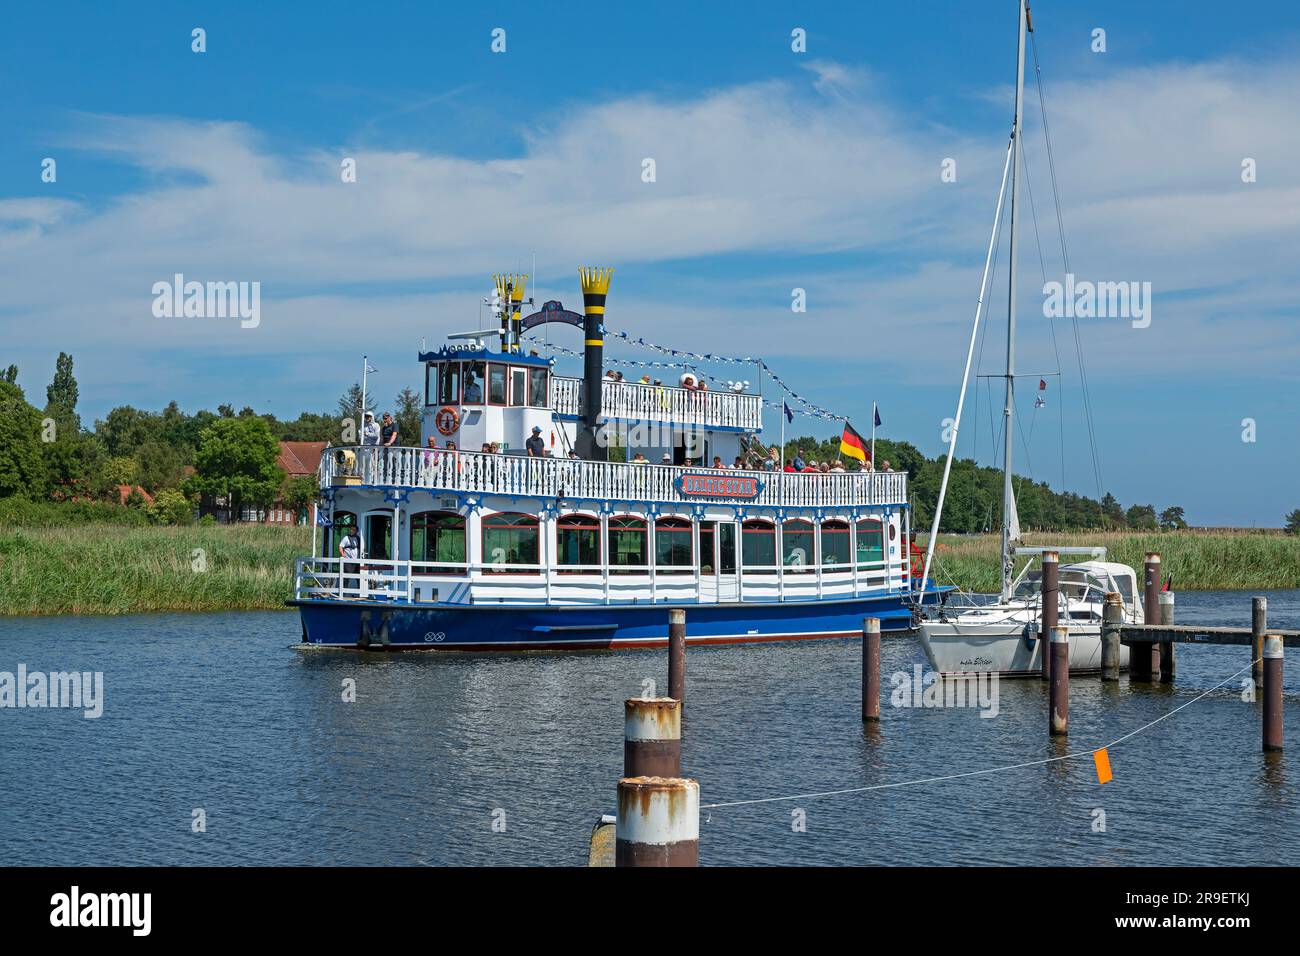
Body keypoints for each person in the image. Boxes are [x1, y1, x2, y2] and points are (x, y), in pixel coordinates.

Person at [338, 522, 360, 596]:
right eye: (351, 529)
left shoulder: (358, 538)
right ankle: (343, 594)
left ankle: (360, 593)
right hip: (348, 561)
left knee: (359, 578)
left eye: (353, 530)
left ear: (356, 531)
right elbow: (340, 546)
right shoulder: (346, 538)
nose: (351, 531)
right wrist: (343, 554)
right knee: (346, 578)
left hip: (356, 561)